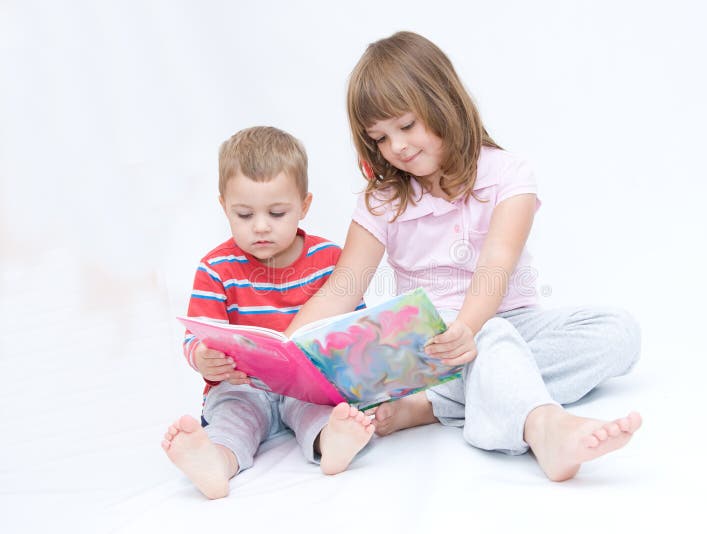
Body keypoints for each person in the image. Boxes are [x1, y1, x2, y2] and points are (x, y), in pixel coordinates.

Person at [286, 31, 642, 482]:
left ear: (443, 102)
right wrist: (283, 348)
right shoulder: (382, 201)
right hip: (430, 343)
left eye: (406, 125)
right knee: (492, 339)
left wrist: (469, 329)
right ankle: (542, 426)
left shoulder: (509, 174)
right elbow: (342, 289)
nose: (397, 146)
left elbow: (495, 267)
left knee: (618, 333)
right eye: (381, 138)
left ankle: (433, 405)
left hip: (501, 322)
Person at [161, 126, 375, 499]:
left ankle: (333, 442)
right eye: (244, 215)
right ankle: (215, 462)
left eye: (277, 213)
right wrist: (204, 357)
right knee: (233, 420)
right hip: (242, 386)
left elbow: (354, 325)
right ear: (224, 206)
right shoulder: (216, 268)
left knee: (321, 411)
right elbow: (197, 335)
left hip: (306, 387)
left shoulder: (329, 259)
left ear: (304, 205)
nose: (260, 227)